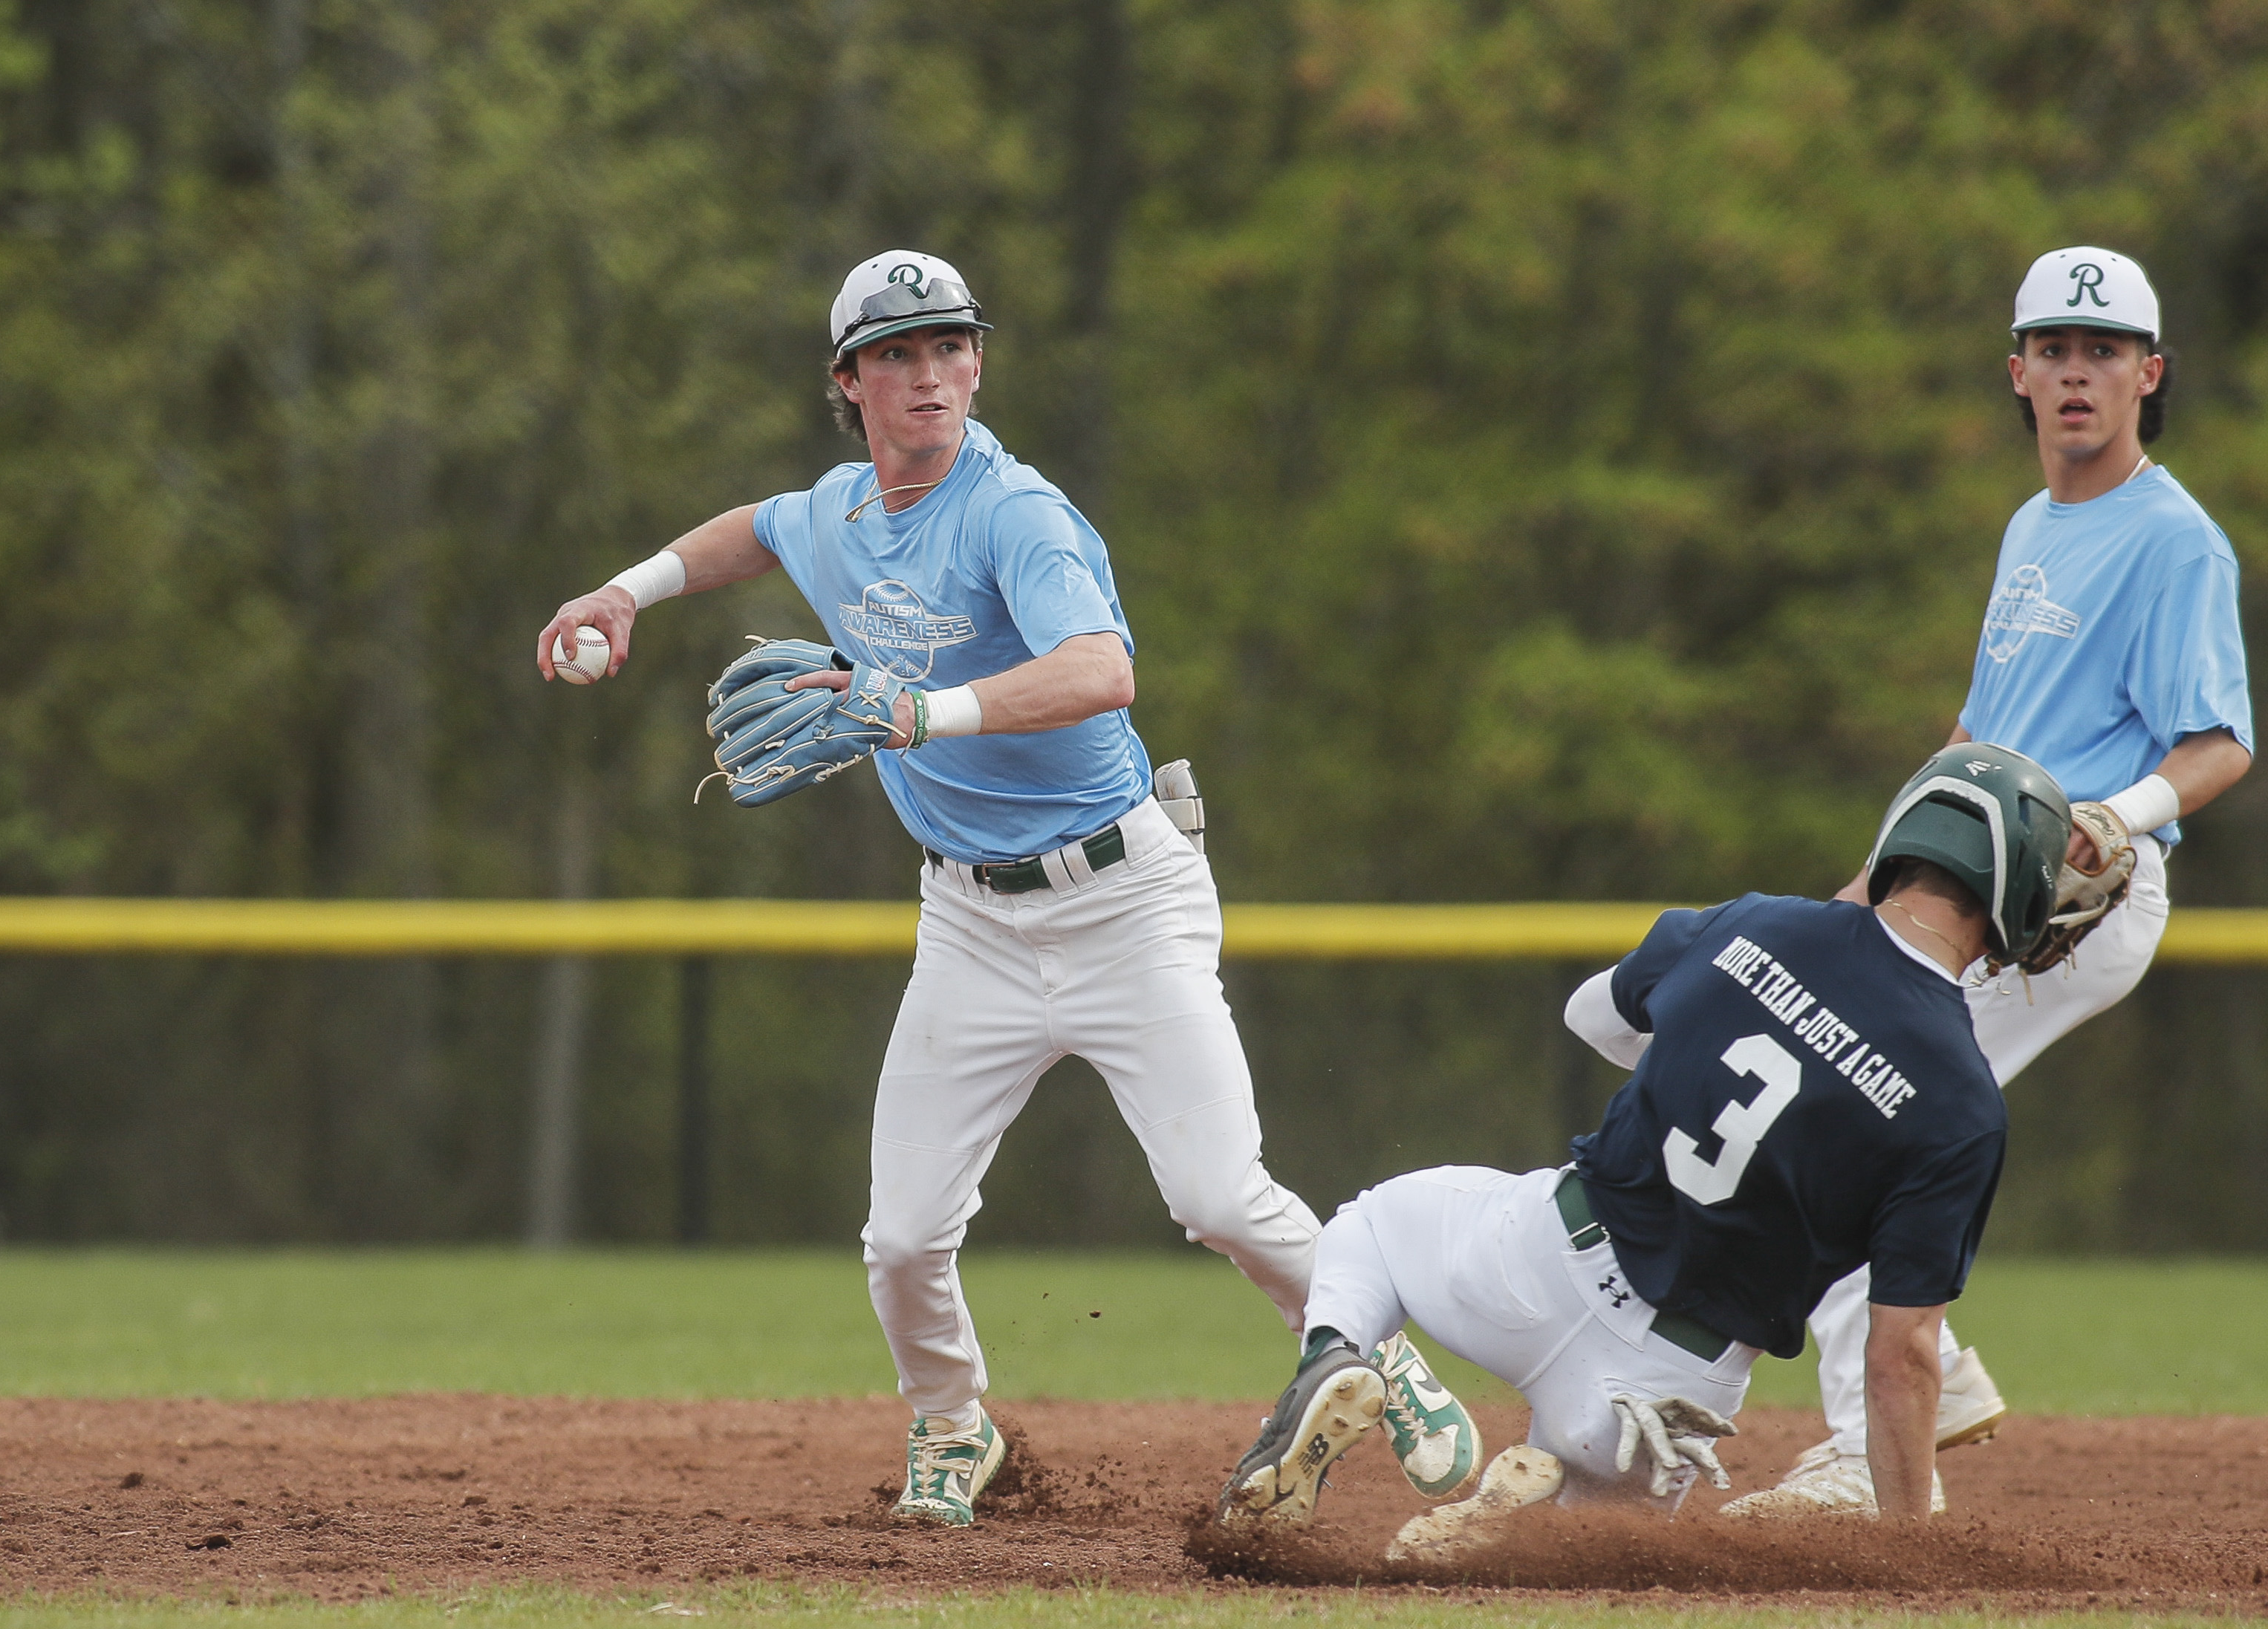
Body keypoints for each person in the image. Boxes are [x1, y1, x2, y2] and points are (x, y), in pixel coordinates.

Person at [534, 251, 1475, 1526]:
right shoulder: (842, 513)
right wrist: (627, 589)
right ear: (849, 382)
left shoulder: (1013, 512)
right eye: (898, 355)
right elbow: (757, 531)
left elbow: (1100, 671)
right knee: (904, 1240)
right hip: (970, 921)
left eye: (950, 348)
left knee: (1216, 1198)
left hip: (1119, 900)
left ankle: (1382, 1356)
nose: (930, 375)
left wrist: (919, 711)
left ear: (976, 362)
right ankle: (952, 1423)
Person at [1220, 747, 2068, 1561]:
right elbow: (1902, 1354)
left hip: (1538, 1264)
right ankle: (1519, 1517)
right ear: (2023, 892)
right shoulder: (1961, 1104)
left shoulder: (1757, 923)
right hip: (1665, 1393)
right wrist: (1908, 1548)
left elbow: (1594, 1015)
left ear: (1897, 842)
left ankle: (1336, 1352)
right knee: (1575, 1558)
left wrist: (1701, 1049)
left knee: (1370, 1229)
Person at [1727, 246, 2256, 1520]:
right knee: (1837, 1106)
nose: (2078, 374)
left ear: (2150, 375)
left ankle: (1874, 1455)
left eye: (2105, 352)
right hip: (1962, 884)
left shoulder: (2174, 541)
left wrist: (2113, 816)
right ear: (2017, 373)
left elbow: (2221, 740)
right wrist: (1870, 882)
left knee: (1858, 1119)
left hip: (2064, 910)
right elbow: (1976, 733)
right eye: (2056, 351)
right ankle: (1935, 1379)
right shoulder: (2033, 523)